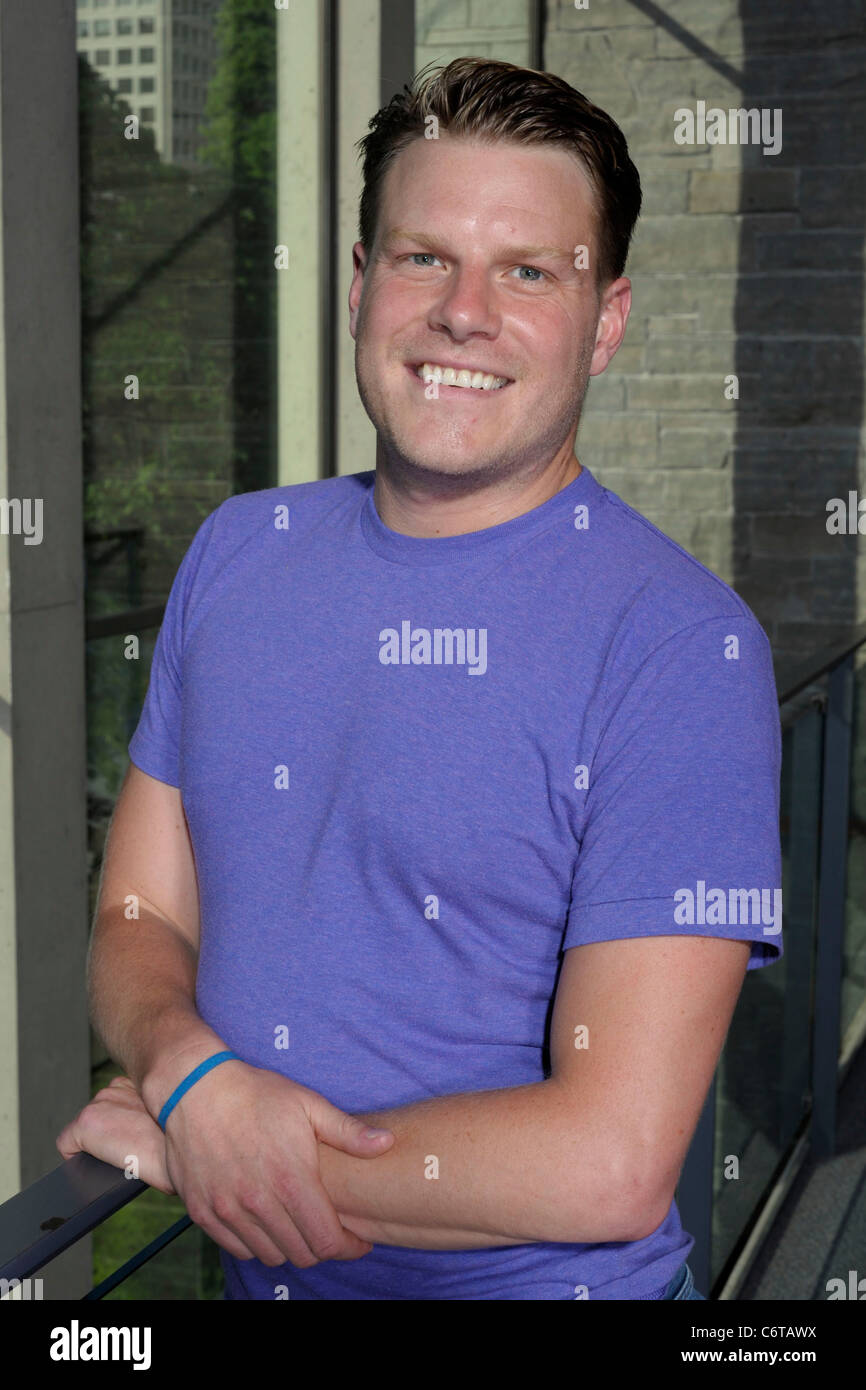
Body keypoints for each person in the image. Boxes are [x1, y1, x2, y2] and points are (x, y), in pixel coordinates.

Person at [58, 57, 782, 1301]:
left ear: (604, 320)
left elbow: (607, 1159)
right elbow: (138, 917)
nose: (462, 312)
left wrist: (211, 1153)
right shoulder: (241, 552)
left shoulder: (678, 649)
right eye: (419, 256)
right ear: (355, 288)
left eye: (527, 271)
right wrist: (190, 1074)